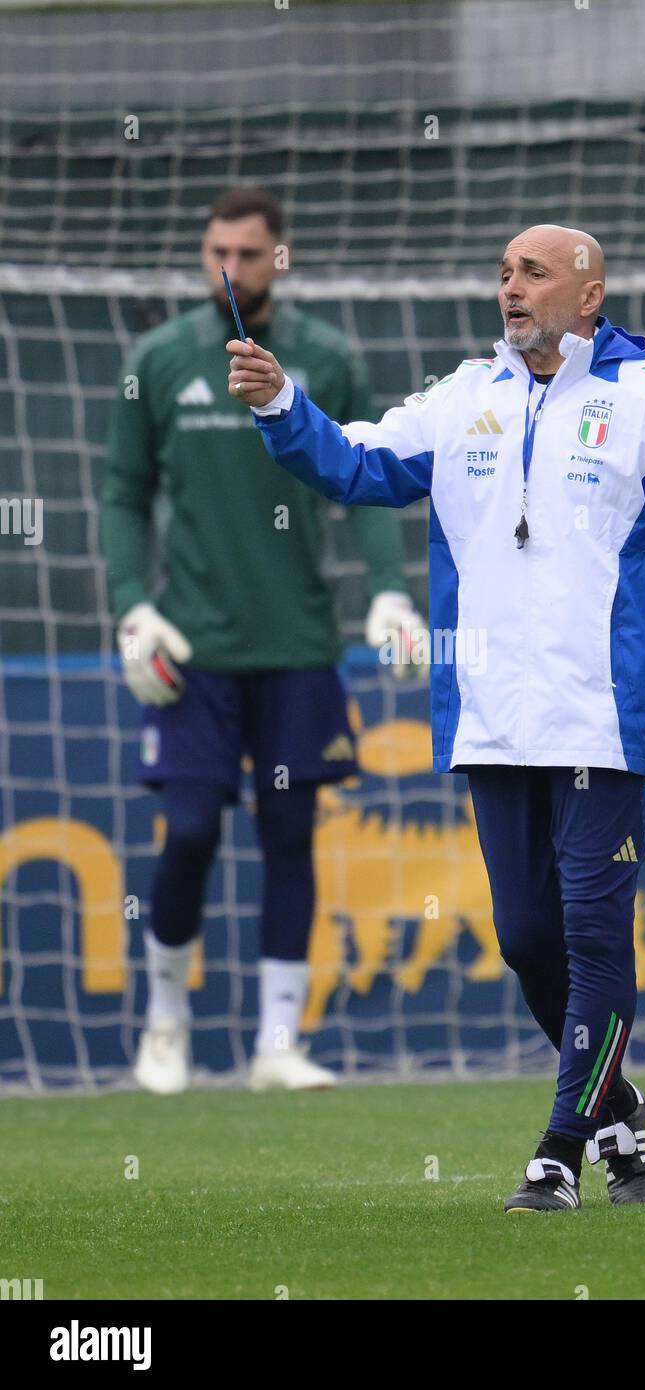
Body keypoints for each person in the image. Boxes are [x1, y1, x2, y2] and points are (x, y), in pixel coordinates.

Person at [225, 223, 645, 1210]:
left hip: (600, 722)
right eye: (502, 274)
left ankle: (559, 1146)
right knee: (523, 937)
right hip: (487, 719)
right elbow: (353, 464)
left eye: (532, 273)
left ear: (588, 295)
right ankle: (619, 1108)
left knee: (595, 936)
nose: (509, 288)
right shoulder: (461, 398)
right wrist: (281, 407)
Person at [102, 186, 423, 1094]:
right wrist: (133, 605)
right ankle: (165, 1024)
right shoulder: (159, 359)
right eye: (215, 253)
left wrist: (392, 593)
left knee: (290, 832)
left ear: (279, 258)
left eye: (246, 254)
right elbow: (122, 493)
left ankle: (277, 1045)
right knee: (191, 830)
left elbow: (367, 476)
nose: (229, 270)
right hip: (193, 647)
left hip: (298, 646)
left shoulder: (326, 356)